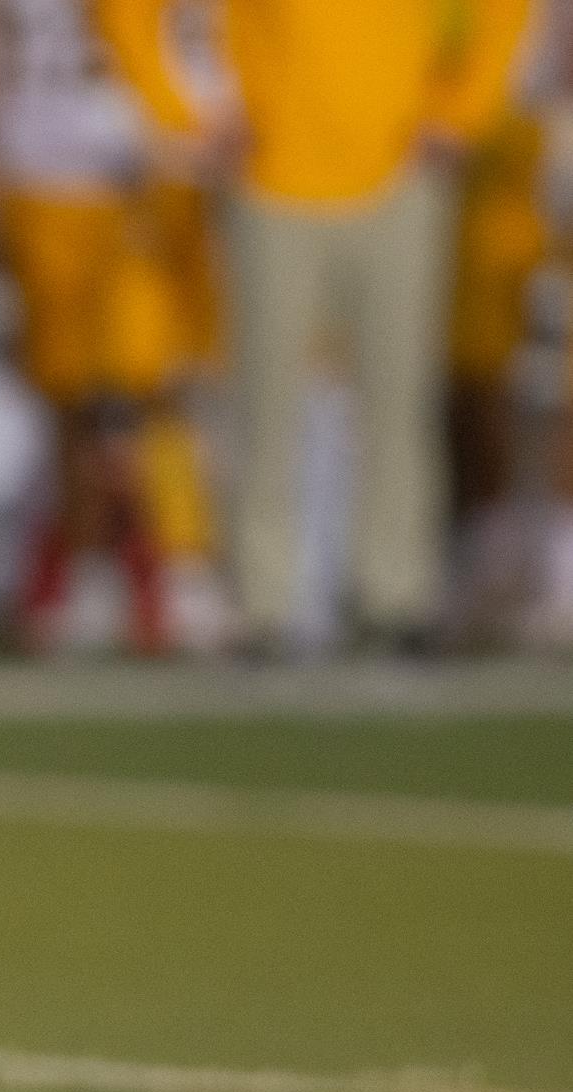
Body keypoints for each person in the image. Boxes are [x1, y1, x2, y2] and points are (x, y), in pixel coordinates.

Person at [101, 0, 531, 653]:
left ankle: (398, 596)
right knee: (263, 403)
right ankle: (265, 602)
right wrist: (183, 113)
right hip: (271, 174)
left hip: (400, 168)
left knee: (398, 401)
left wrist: (462, 112)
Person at [0, 0, 229, 655]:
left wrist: (205, 116)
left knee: (159, 382)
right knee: (69, 391)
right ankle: (90, 575)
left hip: (152, 161)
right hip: (39, 158)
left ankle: (185, 569)